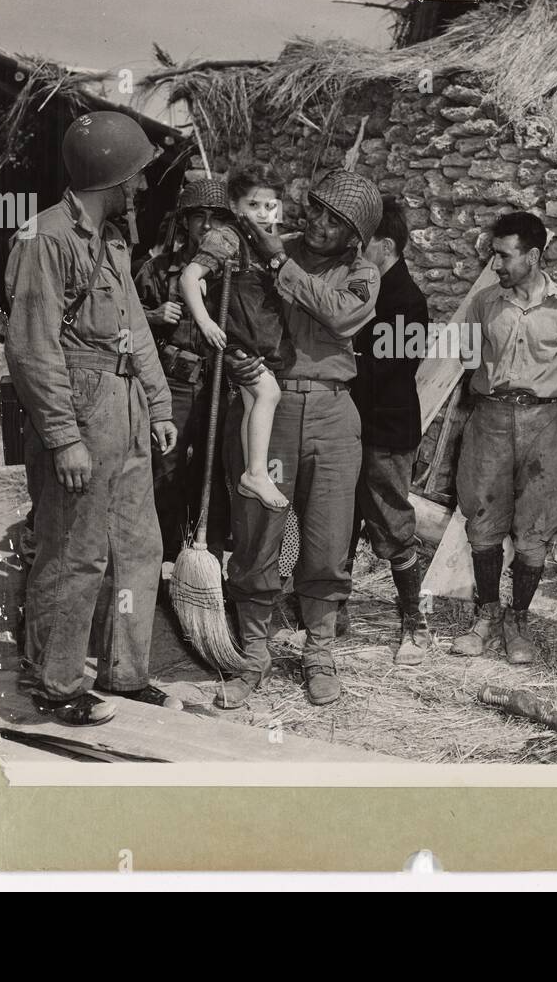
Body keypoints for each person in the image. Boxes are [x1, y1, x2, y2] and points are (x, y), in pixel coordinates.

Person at [5, 111, 179, 725]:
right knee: (74, 552)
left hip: (125, 406)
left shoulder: (111, 242)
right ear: (112, 177)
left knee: (138, 545)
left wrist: (157, 403)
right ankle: (55, 683)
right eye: (135, 176)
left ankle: (125, 673)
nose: (141, 187)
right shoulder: (43, 239)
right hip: (80, 408)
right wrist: (62, 437)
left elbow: (134, 332)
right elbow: (32, 348)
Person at [212, 170, 383, 709]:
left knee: (328, 540)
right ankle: (253, 654)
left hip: (334, 412)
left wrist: (281, 265)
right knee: (258, 531)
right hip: (271, 406)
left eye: (335, 221)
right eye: (316, 210)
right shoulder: (266, 250)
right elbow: (225, 307)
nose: (319, 224)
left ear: (355, 235)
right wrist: (234, 350)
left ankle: (319, 653)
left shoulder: (363, 272)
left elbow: (342, 315)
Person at [451, 211, 557, 665]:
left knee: (534, 529)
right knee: (483, 522)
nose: (496, 264)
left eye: (504, 255)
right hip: (490, 421)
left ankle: (519, 621)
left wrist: (544, 395)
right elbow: (469, 359)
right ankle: (487, 616)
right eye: (494, 254)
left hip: (545, 426)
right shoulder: (485, 304)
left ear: (532, 256)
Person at [348, 197, 433, 665]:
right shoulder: (357, 287)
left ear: (385, 246)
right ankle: (331, 612)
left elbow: (392, 369)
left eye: (361, 246)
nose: (353, 255)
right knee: (336, 520)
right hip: (346, 425)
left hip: (385, 429)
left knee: (392, 522)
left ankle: (415, 623)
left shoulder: (407, 300)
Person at [180, 170, 293, 513]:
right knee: (268, 393)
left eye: (269, 205)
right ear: (235, 205)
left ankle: (250, 474)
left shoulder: (265, 241)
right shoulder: (228, 237)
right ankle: (256, 472)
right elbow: (189, 276)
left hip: (258, 337)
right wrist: (205, 322)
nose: (263, 212)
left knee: (253, 399)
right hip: (238, 334)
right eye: (253, 204)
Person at [133, 174, 226, 562]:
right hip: (174, 384)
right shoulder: (157, 270)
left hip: (222, 387)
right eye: (199, 216)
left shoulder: (233, 273)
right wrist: (153, 315)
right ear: (184, 221)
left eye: (215, 218)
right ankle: (159, 558)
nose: (207, 226)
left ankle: (205, 560)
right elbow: (120, 320)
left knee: (215, 472)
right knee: (164, 471)